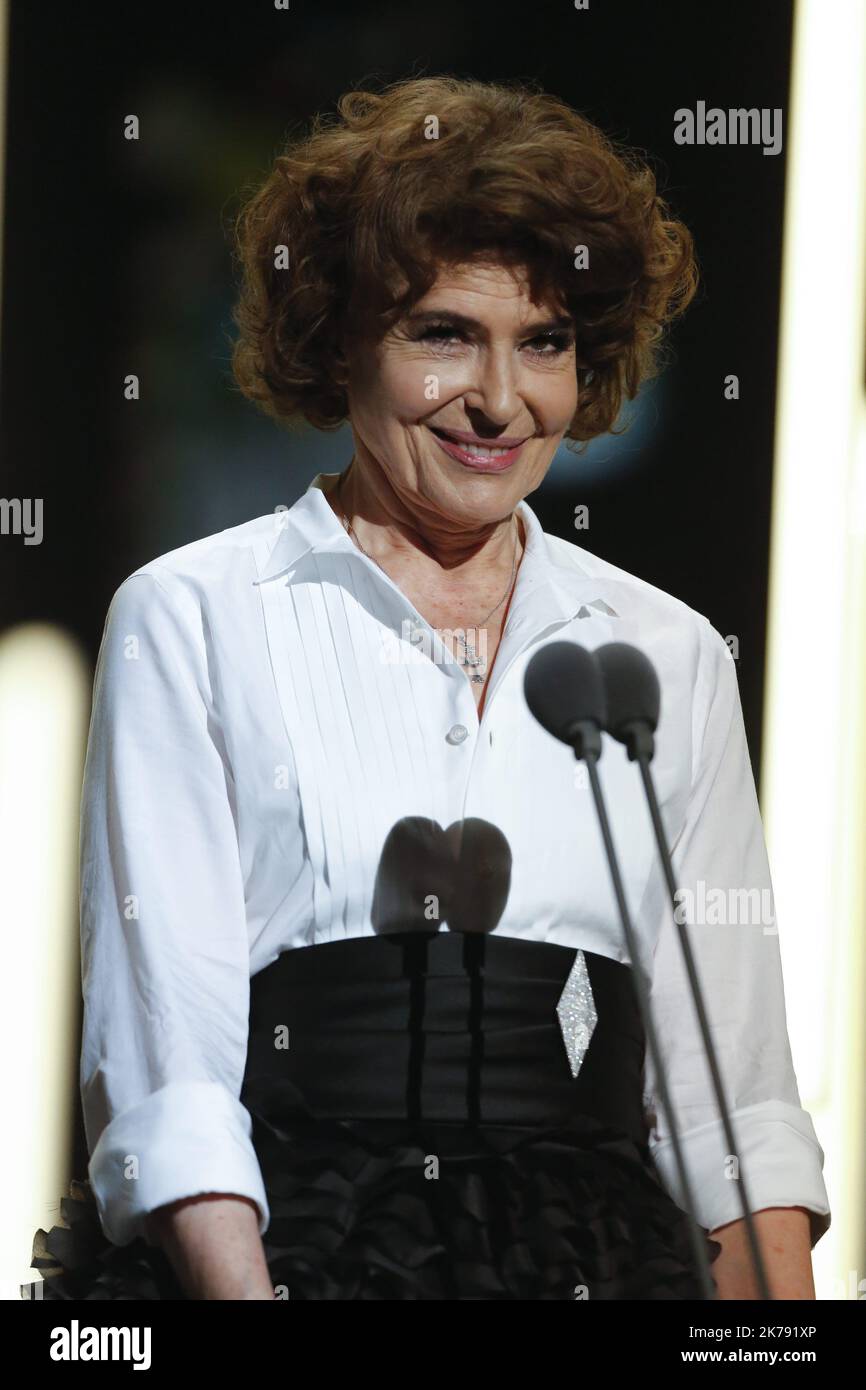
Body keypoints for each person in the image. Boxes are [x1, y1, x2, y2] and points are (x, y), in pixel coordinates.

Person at [25, 75, 829, 1301]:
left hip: (594, 1265)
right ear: (337, 334)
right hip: (290, 1256)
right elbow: (165, 1063)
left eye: (544, 342)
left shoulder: (661, 650)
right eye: (445, 333)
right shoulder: (191, 618)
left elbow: (733, 1100)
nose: (500, 401)